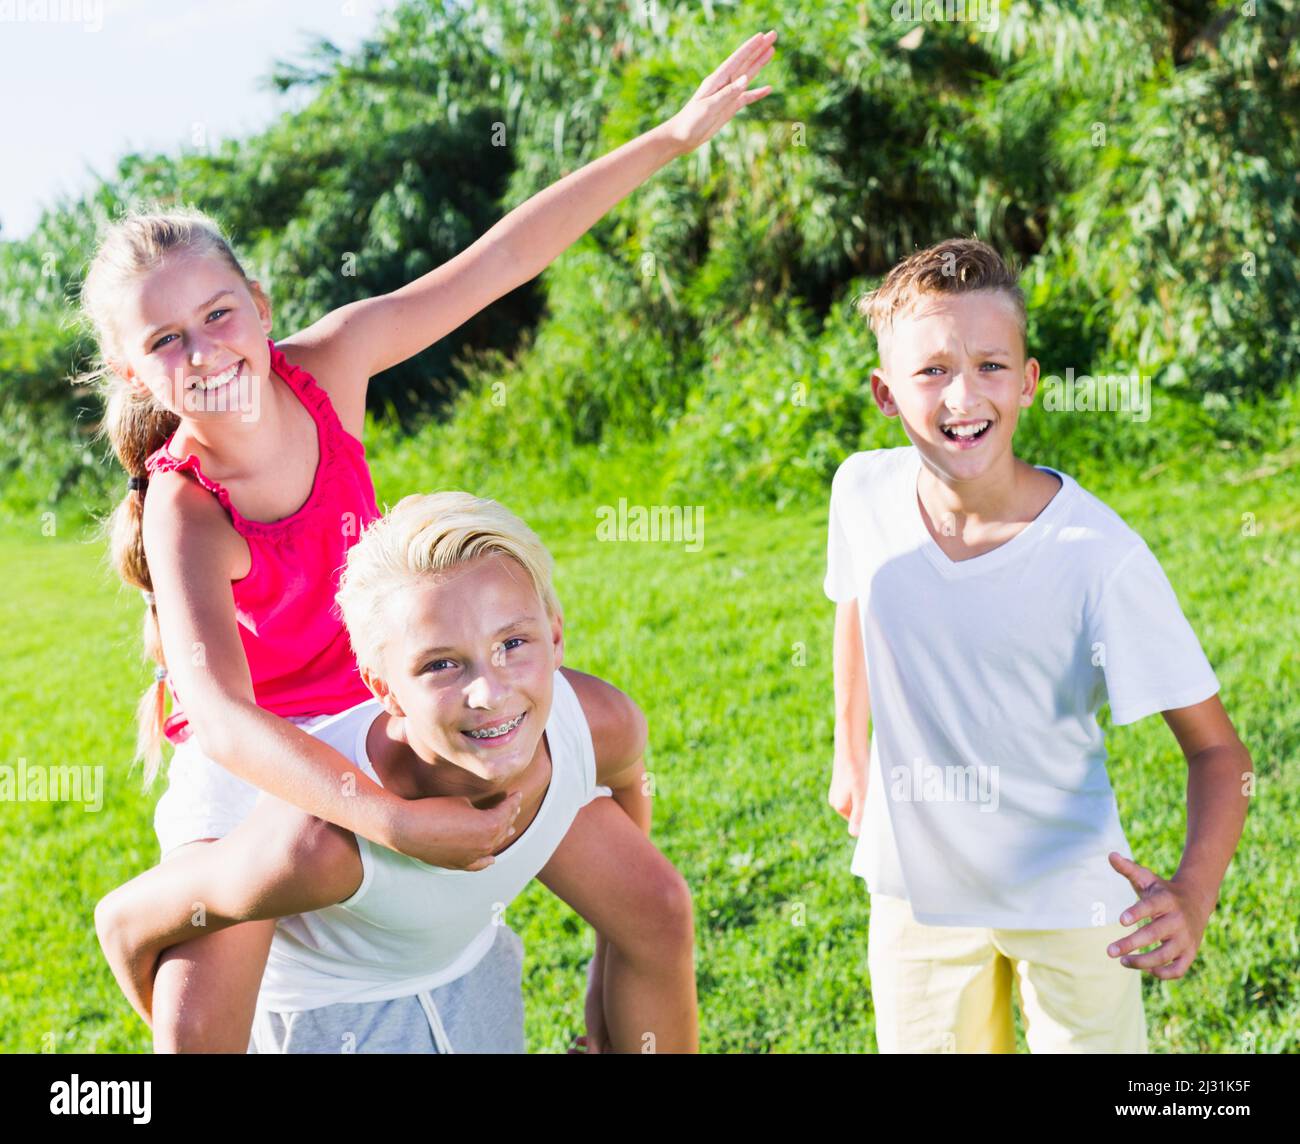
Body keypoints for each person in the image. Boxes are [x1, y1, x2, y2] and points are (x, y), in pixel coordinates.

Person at [85, 28, 776, 1051]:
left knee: (652, 895)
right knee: (196, 1021)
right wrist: (388, 819)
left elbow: (498, 262)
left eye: (218, 313)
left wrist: (667, 141)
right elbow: (224, 719)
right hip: (260, 758)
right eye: (164, 341)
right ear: (136, 374)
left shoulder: (334, 362)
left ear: (261, 308)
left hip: (388, 692)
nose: (203, 351)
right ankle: (140, 915)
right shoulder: (186, 506)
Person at [823, 237, 1253, 1053]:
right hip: (914, 896)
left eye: (990, 365)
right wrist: (852, 749)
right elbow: (855, 597)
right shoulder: (862, 491)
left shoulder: (1097, 556)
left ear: (1027, 382)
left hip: (1072, 900)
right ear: (884, 392)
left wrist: (1193, 895)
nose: (962, 394)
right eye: (931, 371)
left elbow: (1220, 755)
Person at [97, 492, 697, 1053]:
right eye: (441, 665)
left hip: (460, 962)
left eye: (513, 643)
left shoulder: (596, 724)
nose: (488, 692)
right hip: (335, 1016)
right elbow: (124, 923)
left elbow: (630, 812)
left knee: (661, 908)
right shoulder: (317, 846)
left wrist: (612, 950)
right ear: (386, 692)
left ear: (556, 635)